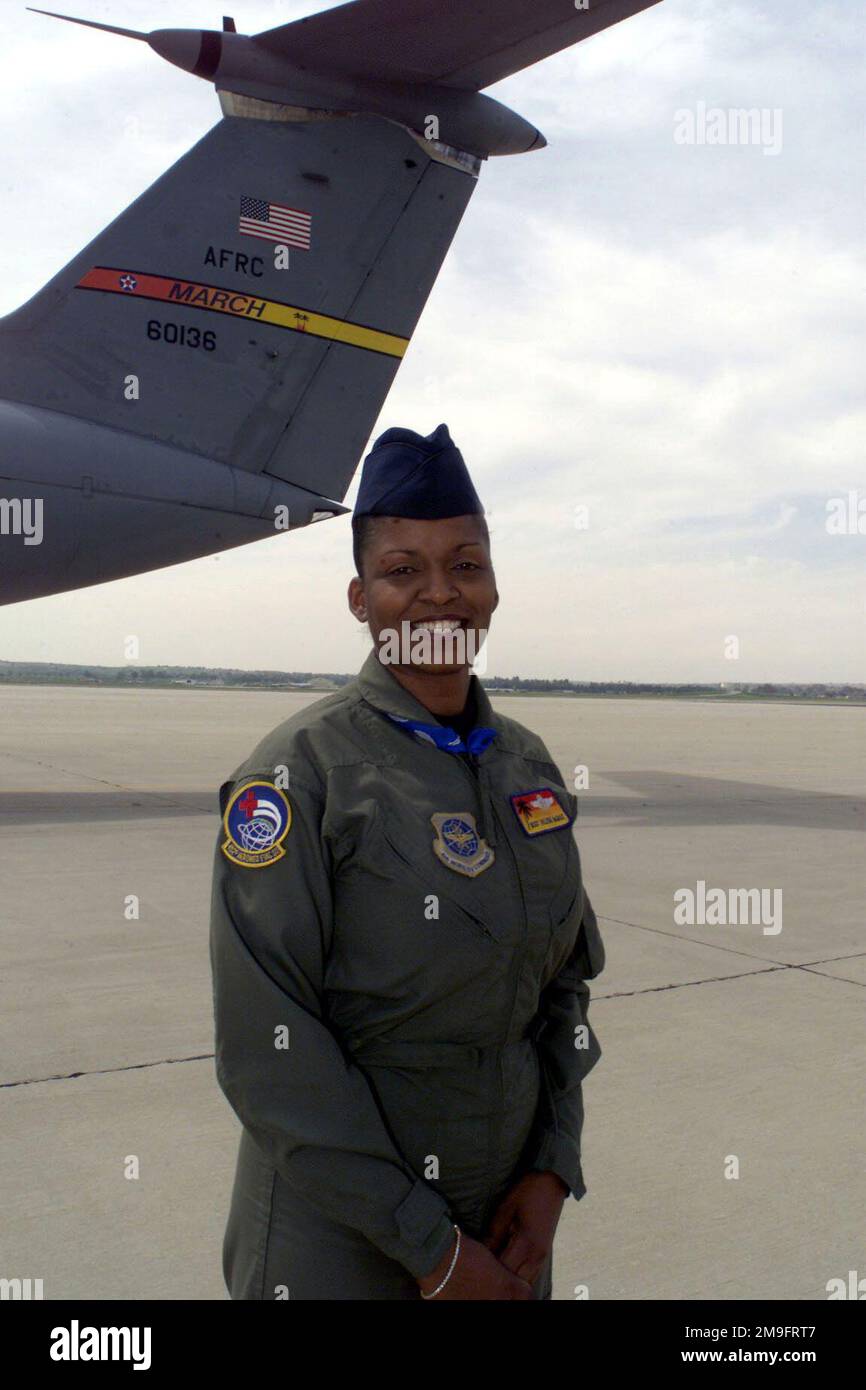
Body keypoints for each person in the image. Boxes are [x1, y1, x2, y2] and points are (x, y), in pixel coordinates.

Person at [209, 422, 605, 1300]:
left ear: (494, 586)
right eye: (402, 571)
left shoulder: (528, 768)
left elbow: (565, 992)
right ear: (360, 597)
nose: (439, 596)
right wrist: (431, 1250)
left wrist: (551, 1170)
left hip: (506, 1238)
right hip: (340, 1247)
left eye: (465, 565)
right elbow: (265, 1048)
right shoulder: (295, 778)